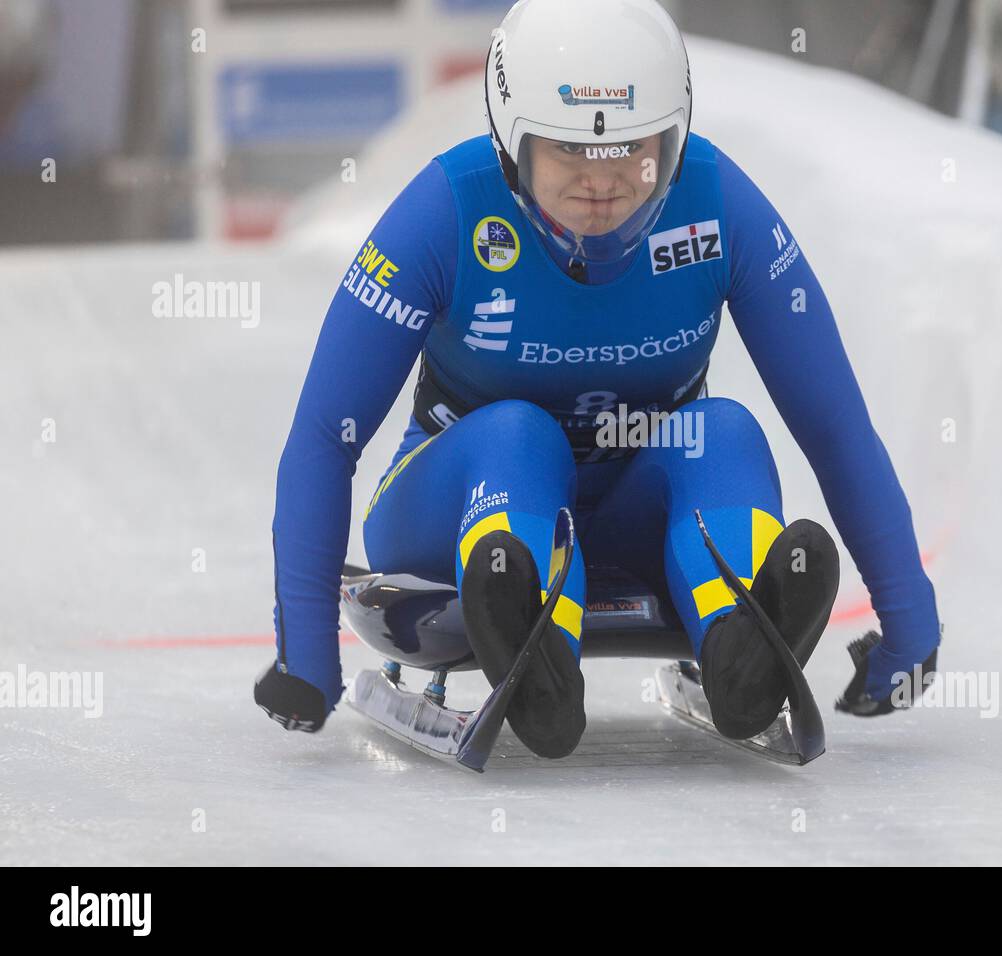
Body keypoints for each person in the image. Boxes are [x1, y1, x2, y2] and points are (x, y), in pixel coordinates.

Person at [254, 0, 941, 754]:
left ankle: (740, 640)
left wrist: (908, 621)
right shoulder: (445, 209)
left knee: (721, 431)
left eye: (633, 154)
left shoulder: (718, 202)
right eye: (569, 153)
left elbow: (834, 425)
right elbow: (326, 434)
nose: (601, 184)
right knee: (522, 434)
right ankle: (527, 608)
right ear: (513, 146)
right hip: (456, 504)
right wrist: (307, 655)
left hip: (641, 513)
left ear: (673, 142)